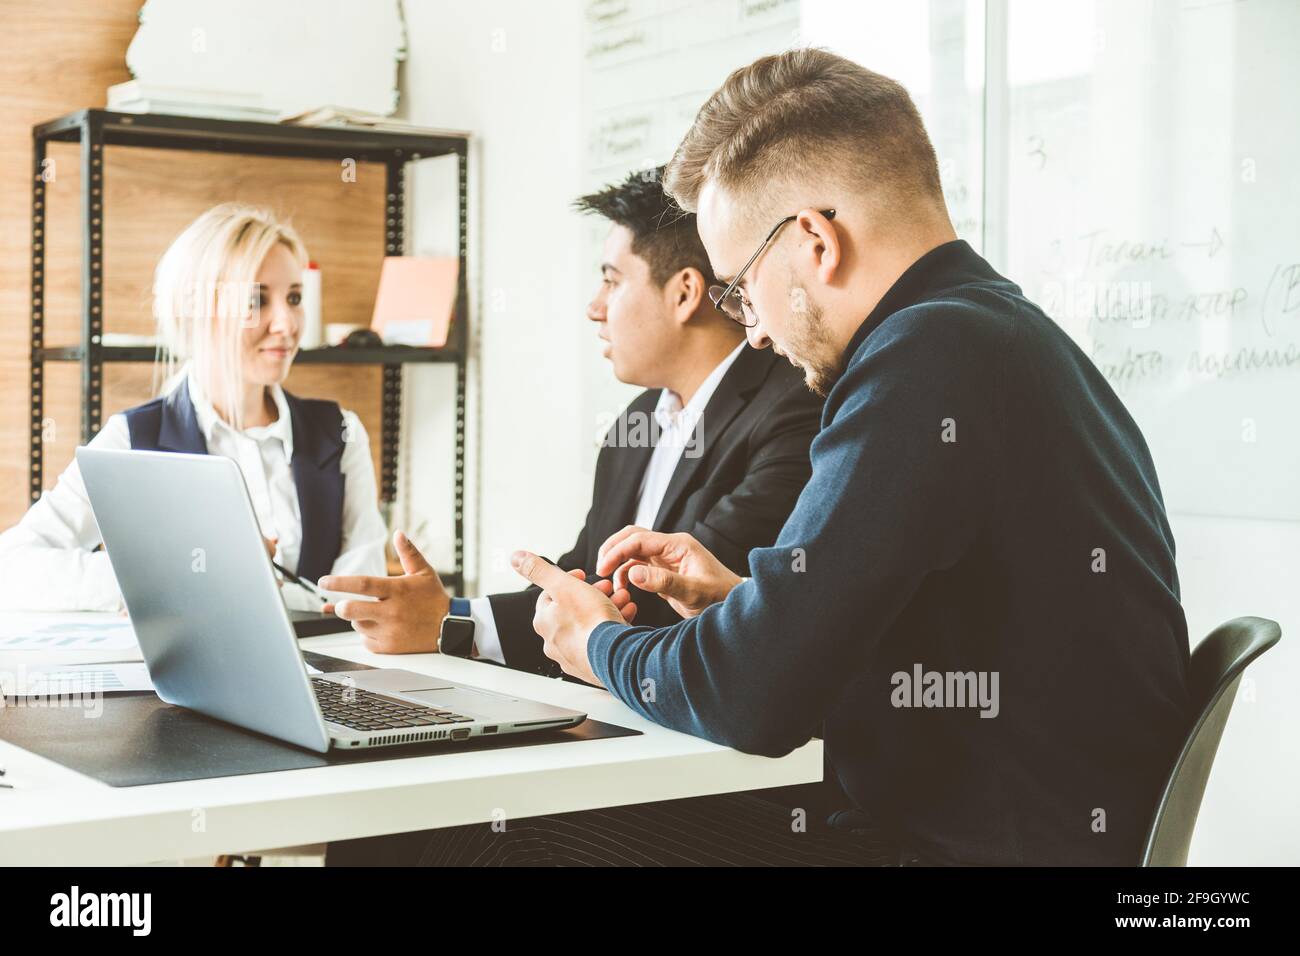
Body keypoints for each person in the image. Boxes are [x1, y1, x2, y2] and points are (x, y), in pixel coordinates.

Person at [457, 49, 1191, 866]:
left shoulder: (925, 358)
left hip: (949, 846)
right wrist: (742, 601)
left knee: (485, 844)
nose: (754, 328)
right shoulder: (987, 334)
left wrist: (599, 645)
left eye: (740, 287)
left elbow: (754, 698)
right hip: (989, 824)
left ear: (814, 240)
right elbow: (921, 648)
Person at [318, 167, 822, 672]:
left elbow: (671, 593)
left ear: (685, 293)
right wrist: (453, 615)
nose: (593, 308)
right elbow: (587, 581)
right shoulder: (639, 419)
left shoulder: (794, 409)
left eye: (611, 281)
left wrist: (455, 622)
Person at [0, 203, 387, 613]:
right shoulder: (134, 440)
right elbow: (14, 567)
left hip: (323, 675)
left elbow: (360, 593)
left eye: (294, 298)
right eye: (257, 300)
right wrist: (168, 575)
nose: (287, 323)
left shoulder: (341, 433)